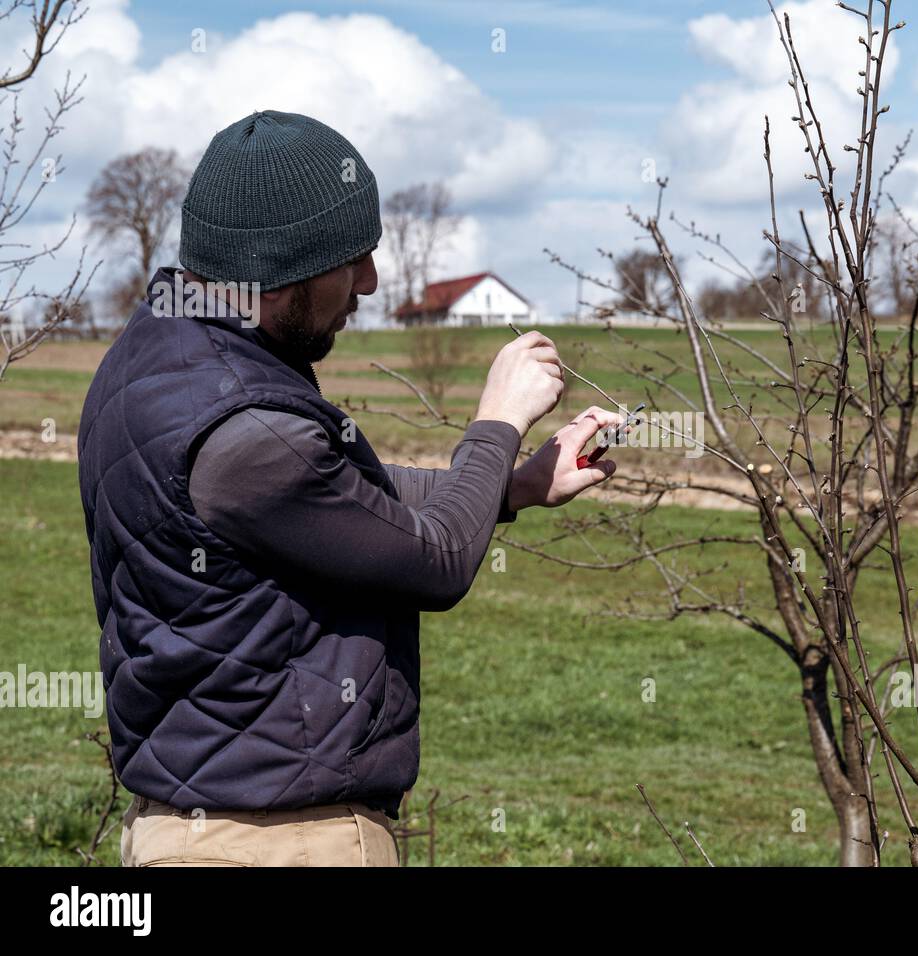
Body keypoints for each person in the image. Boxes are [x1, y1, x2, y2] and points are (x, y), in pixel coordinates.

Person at [76, 110, 620, 866]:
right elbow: (436, 565)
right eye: (350, 259)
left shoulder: (155, 360)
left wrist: (513, 488)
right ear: (279, 273)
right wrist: (498, 422)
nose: (369, 282)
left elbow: (342, 495)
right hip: (278, 841)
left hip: (194, 825)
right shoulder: (246, 429)